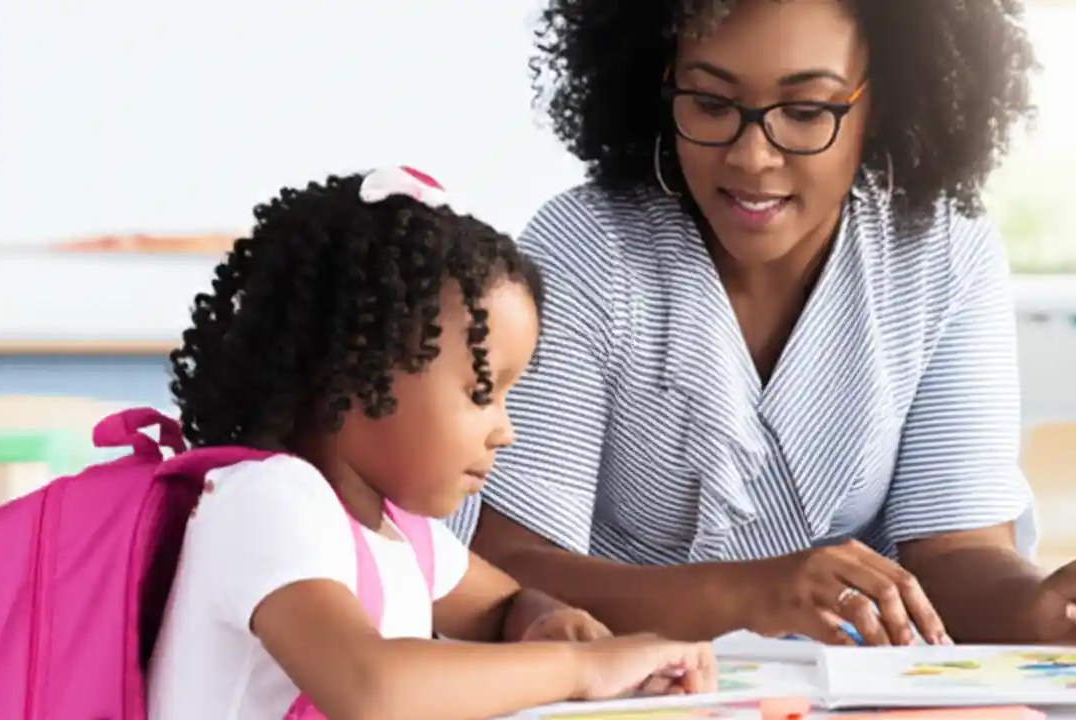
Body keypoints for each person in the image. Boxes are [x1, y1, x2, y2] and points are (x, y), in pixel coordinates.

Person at [447, 0, 1076, 653]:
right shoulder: (587, 250)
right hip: (629, 688)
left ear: (886, 102)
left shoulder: (945, 252)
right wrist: (752, 595)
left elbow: (956, 552)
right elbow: (507, 569)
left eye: (806, 113)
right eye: (709, 103)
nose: (751, 155)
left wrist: (1040, 606)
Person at [149, 167, 716, 720]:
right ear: (355, 371)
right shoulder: (268, 501)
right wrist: (578, 667)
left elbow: (503, 607)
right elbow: (371, 689)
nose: (505, 429)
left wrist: (545, 624)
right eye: (480, 393)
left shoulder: (399, 533)